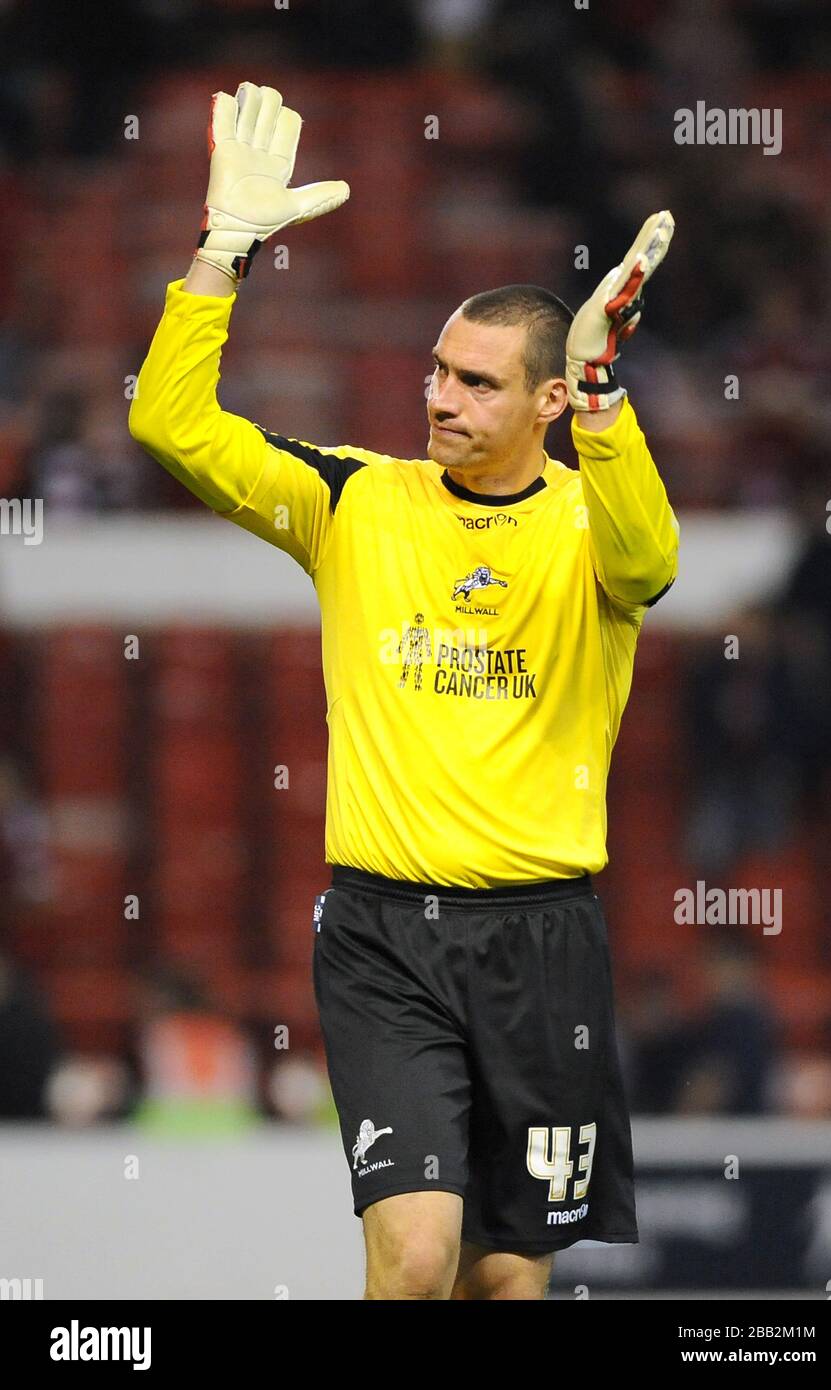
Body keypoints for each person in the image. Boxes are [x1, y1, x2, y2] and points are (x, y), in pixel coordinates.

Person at [129, 82, 679, 1300]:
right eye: (436, 371)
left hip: (543, 941)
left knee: (504, 1278)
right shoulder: (353, 500)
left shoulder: (593, 528)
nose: (437, 399)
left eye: (478, 383)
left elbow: (652, 564)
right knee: (413, 1254)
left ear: (549, 401)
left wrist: (605, 398)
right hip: (383, 936)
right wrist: (222, 254)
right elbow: (170, 425)